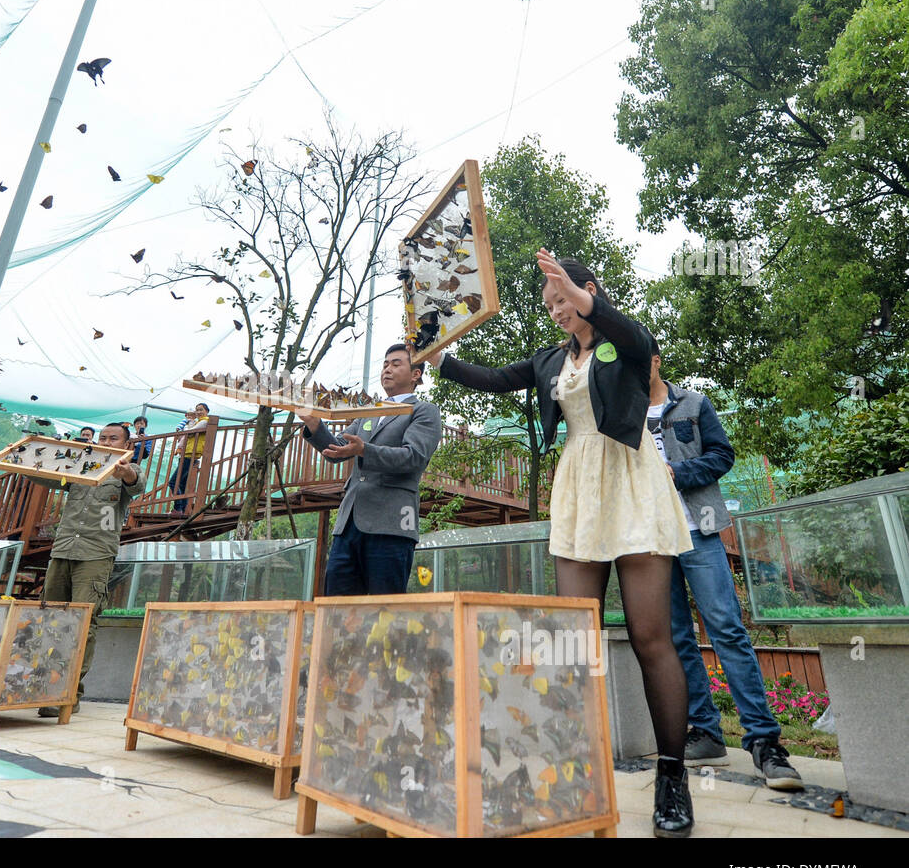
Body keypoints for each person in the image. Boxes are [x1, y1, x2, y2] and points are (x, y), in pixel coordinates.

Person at [426, 249, 696, 837]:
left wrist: (584, 300)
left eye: (564, 300)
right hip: (578, 486)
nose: (556, 312)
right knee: (574, 638)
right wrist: (440, 358)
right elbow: (497, 380)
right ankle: (574, 767)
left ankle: (672, 778)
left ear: (588, 291)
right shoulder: (551, 358)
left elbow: (634, 332)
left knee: (653, 639)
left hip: (629, 477)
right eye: (549, 305)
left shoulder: (622, 341)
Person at [648, 345, 803, 790]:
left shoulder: (694, 403)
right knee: (677, 638)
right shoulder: (622, 417)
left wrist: (677, 472)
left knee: (726, 628)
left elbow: (722, 455)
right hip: (652, 539)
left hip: (700, 529)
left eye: (639, 359)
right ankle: (707, 733)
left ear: (656, 359)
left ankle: (764, 743)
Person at [299, 344, 442, 595]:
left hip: (391, 524)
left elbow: (413, 457)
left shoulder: (424, 411)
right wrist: (314, 424)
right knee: (336, 610)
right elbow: (339, 449)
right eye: (385, 364)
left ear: (416, 374)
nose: (387, 369)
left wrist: (364, 450)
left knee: (383, 612)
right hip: (348, 525)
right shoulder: (369, 411)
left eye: (396, 364)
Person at [33, 422, 144, 716]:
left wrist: (125, 472)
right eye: (103, 437)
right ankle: (43, 687)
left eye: (114, 438)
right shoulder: (80, 465)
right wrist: (31, 457)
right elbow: (47, 477)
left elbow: (136, 483)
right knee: (51, 618)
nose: (107, 441)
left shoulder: (127, 469)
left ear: (125, 444)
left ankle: (68, 693)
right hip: (63, 548)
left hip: (96, 553)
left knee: (83, 622)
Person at [168, 404, 209, 513]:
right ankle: (181, 508)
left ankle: (178, 507)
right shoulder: (197, 422)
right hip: (187, 453)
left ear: (207, 411)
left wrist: (185, 429)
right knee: (182, 483)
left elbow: (189, 432)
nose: (199, 412)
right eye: (197, 410)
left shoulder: (205, 421)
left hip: (190, 454)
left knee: (173, 482)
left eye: (201, 410)